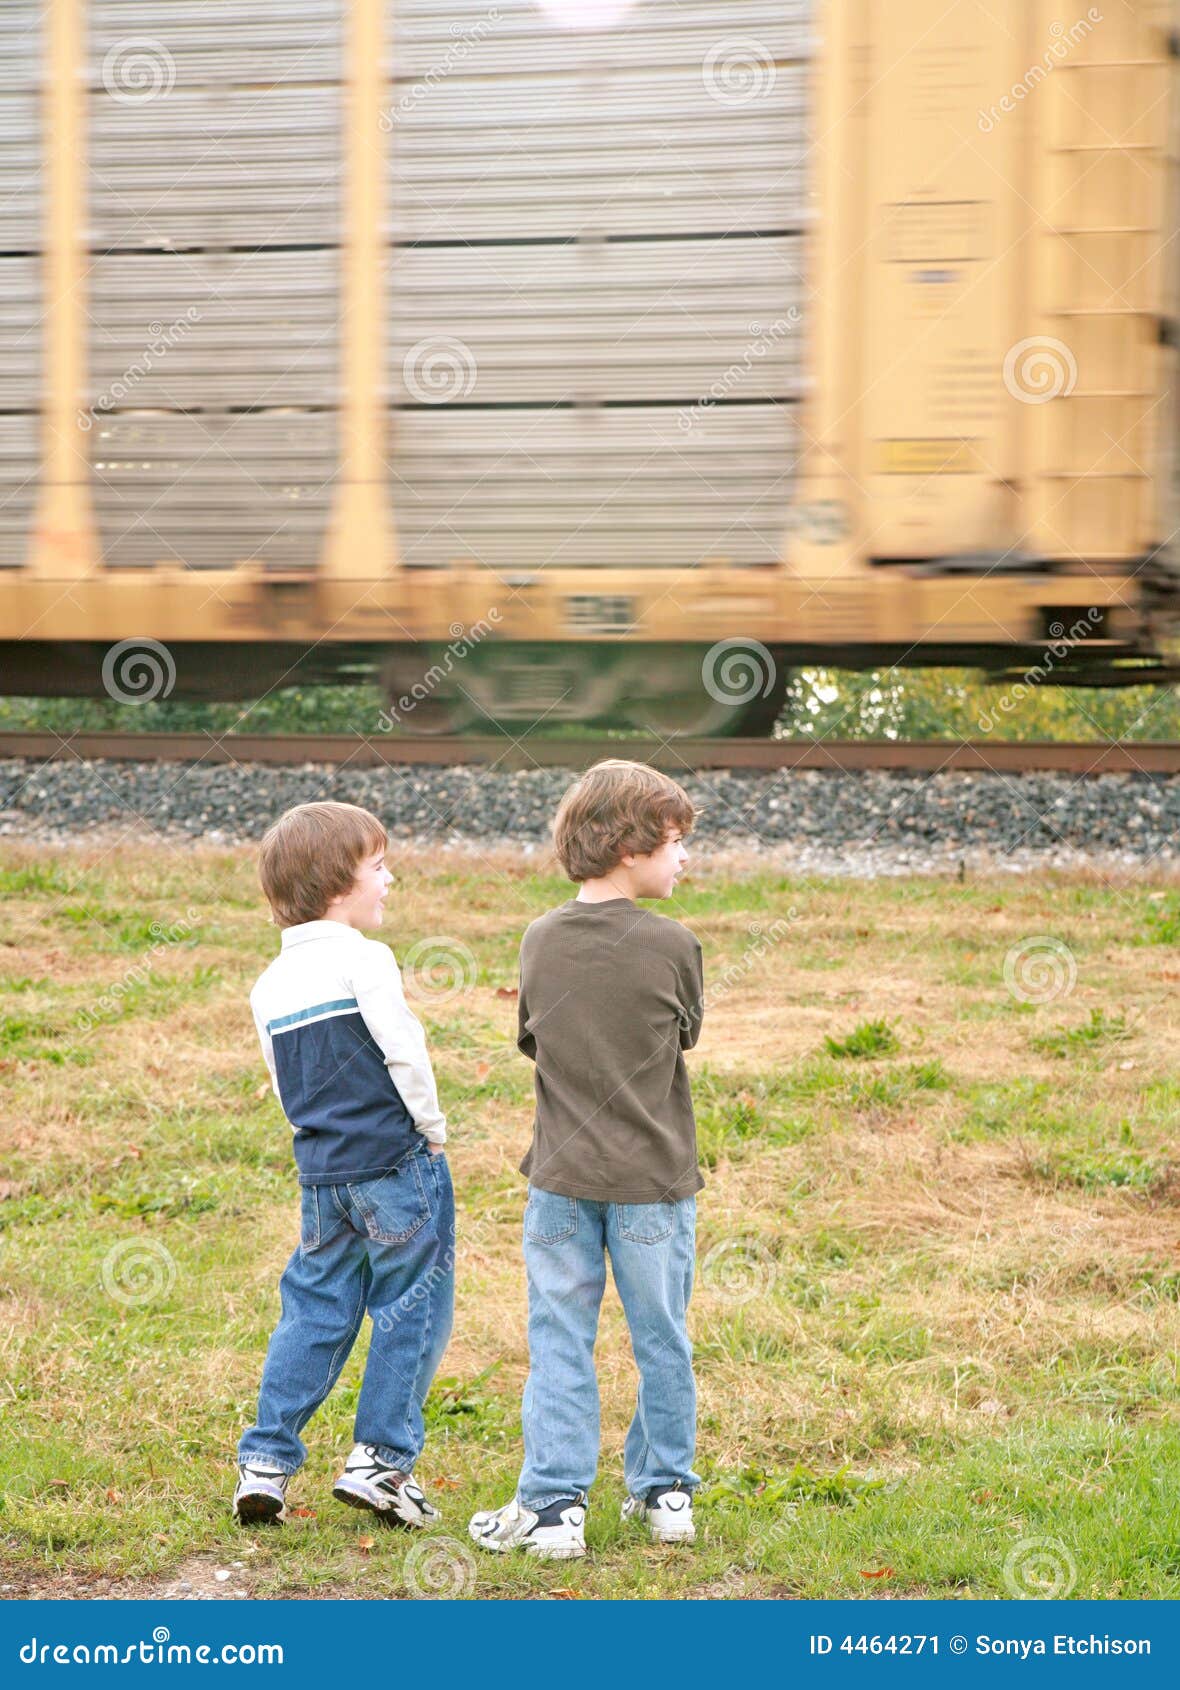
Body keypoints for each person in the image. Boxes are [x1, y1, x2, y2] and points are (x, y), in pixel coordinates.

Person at [469, 759, 705, 1559]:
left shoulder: (539, 940)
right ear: (629, 846)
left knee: (560, 1335)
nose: (684, 859)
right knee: (661, 1334)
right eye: (675, 843)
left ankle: (554, 1505)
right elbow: (686, 1035)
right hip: (655, 1182)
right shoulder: (674, 944)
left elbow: (534, 1038)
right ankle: (667, 1491)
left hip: (563, 1180)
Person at [233, 801, 453, 1530]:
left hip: (322, 1174)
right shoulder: (366, 958)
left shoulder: (268, 985)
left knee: (316, 1309)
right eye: (379, 867)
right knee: (409, 1306)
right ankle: (380, 1464)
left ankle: (265, 1461)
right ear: (337, 884)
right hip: (395, 1163)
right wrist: (432, 1128)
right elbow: (402, 1052)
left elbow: (281, 1084)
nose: (390, 879)